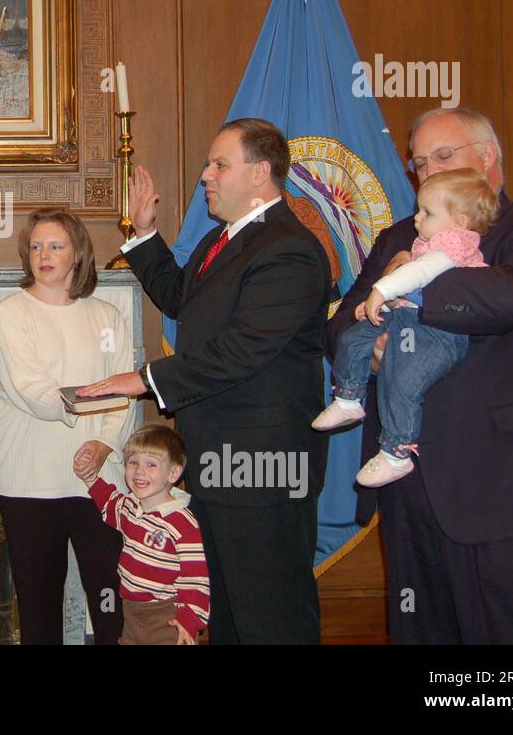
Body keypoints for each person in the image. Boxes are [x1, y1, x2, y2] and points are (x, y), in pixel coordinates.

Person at [325, 106, 513, 644]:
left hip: (500, 476)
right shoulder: (400, 236)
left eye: (443, 156)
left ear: (487, 157)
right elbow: (339, 327)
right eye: (419, 162)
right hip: (408, 475)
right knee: (420, 634)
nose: (427, 171)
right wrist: (380, 314)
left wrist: (410, 284)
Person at [80, 117, 330, 644]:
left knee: (271, 612)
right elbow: (180, 299)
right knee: (232, 612)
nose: (204, 176)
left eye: (220, 164)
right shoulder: (226, 238)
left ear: (261, 172)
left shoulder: (289, 248)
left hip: (265, 466)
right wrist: (145, 232)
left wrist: (142, 380)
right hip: (219, 459)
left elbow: (243, 350)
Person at [0, 208, 139, 644]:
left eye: (55, 246)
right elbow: (31, 390)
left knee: (111, 601)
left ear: (78, 254)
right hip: (29, 479)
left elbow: (123, 391)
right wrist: (91, 397)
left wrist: (104, 447)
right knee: (39, 610)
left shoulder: (107, 317)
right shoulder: (11, 312)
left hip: (98, 478)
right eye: (35, 247)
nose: (43, 255)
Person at [314, 169, 497, 487]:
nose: (416, 218)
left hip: (436, 334)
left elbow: (419, 275)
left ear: (460, 222)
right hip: (405, 319)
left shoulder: (453, 248)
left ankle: (396, 452)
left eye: (427, 212)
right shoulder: (426, 244)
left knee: (402, 381)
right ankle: (348, 396)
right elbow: (410, 293)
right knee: (355, 337)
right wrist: (380, 304)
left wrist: (381, 291)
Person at [75, 424, 210, 645]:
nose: (139, 471)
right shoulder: (130, 505)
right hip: (130, 611)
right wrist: (90, 478)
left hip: (166, 616)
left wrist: (189, 620)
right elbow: (109, 503)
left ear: (174, 473)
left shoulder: (182, 523)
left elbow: (196, 578)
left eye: (151, 464)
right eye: (133, 462)